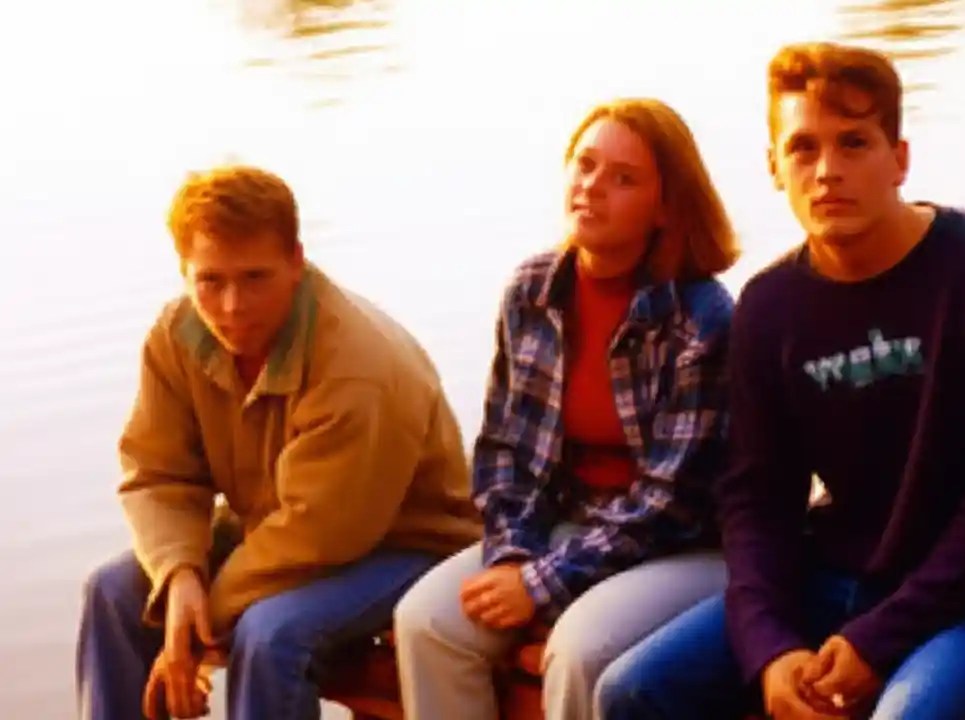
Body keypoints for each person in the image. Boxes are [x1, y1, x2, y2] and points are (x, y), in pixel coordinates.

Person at [596, 41, 965, 720]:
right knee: (632, 692)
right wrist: (769, 647)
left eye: (854, 144)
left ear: (899, 158)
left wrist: (876, 640)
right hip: (827, 579)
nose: (827, 172)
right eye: (803, 149)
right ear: (773, 167)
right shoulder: (769, 306)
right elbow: (757, 497)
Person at [75, 165, 481, 720]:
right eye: (210, 281)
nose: (232, 306)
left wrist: (192, 625)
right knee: (113, 592)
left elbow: (322, 532)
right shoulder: (176, 337)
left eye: (255, 278)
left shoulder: (357, 365)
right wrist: (179, 576)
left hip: (404, 543)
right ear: (183, 271)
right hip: (272, 530)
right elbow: (158, 473)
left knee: (271, 634)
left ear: (296, 260)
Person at [391, 97, 740, 720]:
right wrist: (514, 556)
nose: (592, 187)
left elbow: (671, 501)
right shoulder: (533, 290)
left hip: (686, 550)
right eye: (585, 165)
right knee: (426, 623)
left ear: (665, 208)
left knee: (580, 651)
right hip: (562, 529)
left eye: (623, 178)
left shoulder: (703, 319)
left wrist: (541, 583)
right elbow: (504, 452)